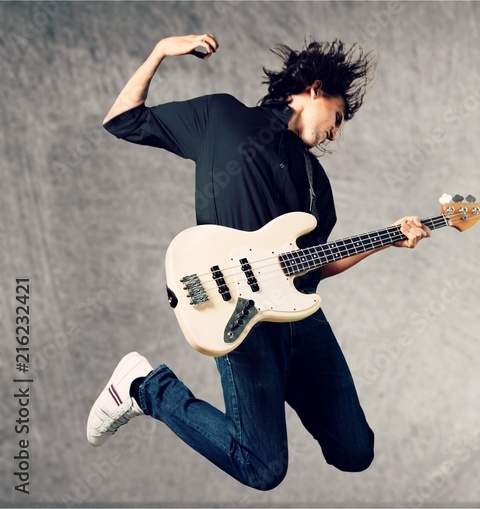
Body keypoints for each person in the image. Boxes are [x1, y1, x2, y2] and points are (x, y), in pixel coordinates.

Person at [87, 34, 430, 490]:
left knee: (355, 451)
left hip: (300, 318)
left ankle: (279, 382)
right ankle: (144, 388)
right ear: (315, 89)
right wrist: (160, 51)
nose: (336, 130)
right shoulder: (221, 117)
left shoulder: (316, 183)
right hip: (238, 317)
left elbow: (315, 264)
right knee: (263, 467)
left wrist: (387, 240)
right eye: (338, 116)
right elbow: (123, 119)